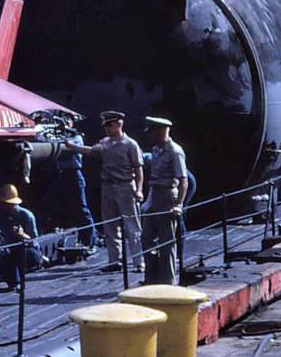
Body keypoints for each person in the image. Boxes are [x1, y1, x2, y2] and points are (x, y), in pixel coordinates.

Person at [64, 111, 144, 274]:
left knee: (132, 226)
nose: (107, 129)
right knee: (110, 226)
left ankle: (139, 261)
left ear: (119, 124)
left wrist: (139, 190)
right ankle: (114, 261)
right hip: (108, 188)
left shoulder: (130, 144)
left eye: (110, 125)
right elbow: (91, 151)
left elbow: (138, 168)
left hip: (125, 187)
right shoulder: (105, 143)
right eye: (106, 126)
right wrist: (72, 146)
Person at [140, 117, 188, 286]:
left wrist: (179, 205)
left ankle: (168, 281)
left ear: (160, 131)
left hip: (168, 196)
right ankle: (152, 277)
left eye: (152, 132)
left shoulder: (175, 151)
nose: (149, 135)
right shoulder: (155, 150)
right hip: (154, 194)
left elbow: (183, 180)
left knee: (167, 242)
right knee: (146, 239)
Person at [41, 125, 98, 249]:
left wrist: (63, 141)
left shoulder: (77, 138)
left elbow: (71, 148)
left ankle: (91, 242)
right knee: (49, 201)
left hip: (74, 174)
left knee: (82, 208)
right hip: (62, 174)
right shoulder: (58, 137)